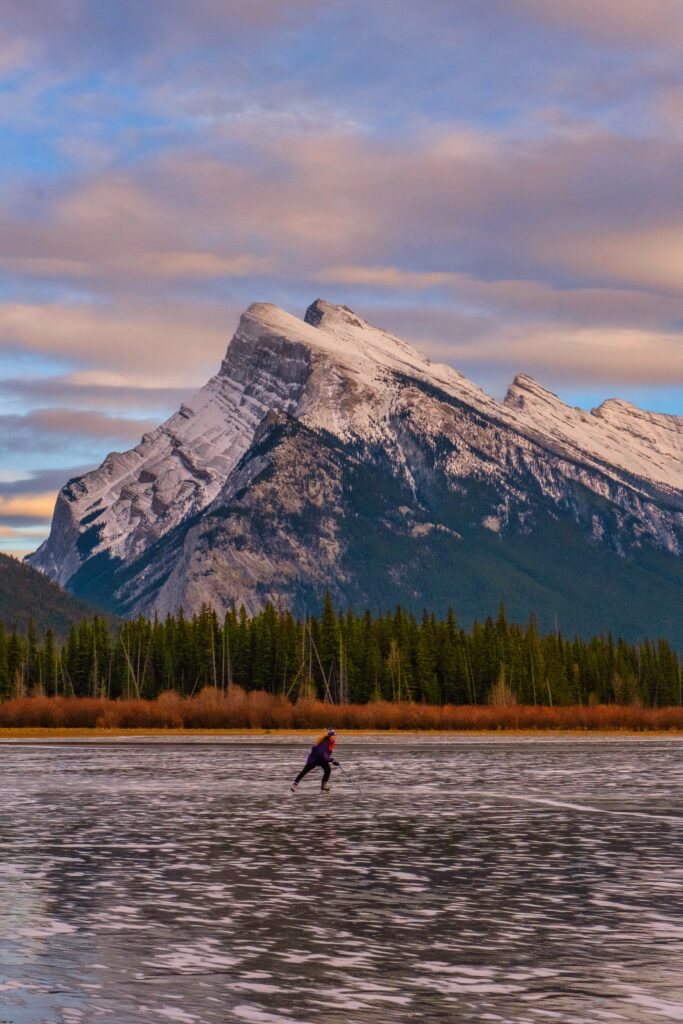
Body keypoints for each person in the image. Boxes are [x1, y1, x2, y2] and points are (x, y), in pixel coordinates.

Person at [291, 728, 339, 793]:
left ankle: (323, 786)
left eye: (335, 736)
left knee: (328, 770)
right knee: (304, 772)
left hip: (322, 760)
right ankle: (294, 785)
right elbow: (324, 756)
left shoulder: (331, 743)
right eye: (333, 736)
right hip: (314, 759)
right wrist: (332, 760)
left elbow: (325, 756)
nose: (335, 737)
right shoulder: (324, 744)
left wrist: (332, 761)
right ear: (330, 737)